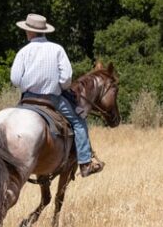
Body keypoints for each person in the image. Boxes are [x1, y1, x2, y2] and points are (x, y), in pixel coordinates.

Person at [10, 13, 104, 177]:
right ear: (44, 31)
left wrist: (28, 85)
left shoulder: (23, 52)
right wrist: (59, 86)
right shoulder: (57, 49)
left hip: (27, 100)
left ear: (29, 32)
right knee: (79, 122)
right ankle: (85, 163)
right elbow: (67, 78)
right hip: (52, 100)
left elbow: (15, 79)